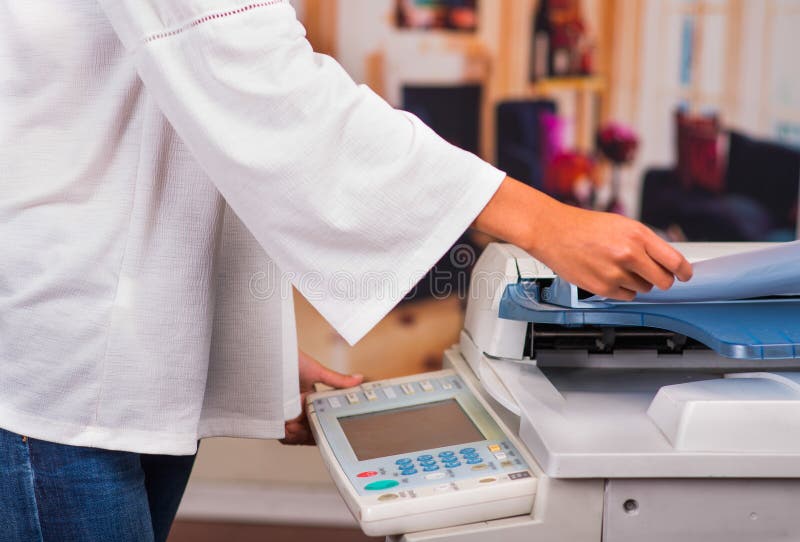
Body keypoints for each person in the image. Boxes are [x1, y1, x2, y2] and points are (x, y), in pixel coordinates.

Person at [0, 1, 692, 541]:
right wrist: (543, 221)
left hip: (118, 338)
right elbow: (267, 89)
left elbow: (188, 120)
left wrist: (235, 340)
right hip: (64, 355)